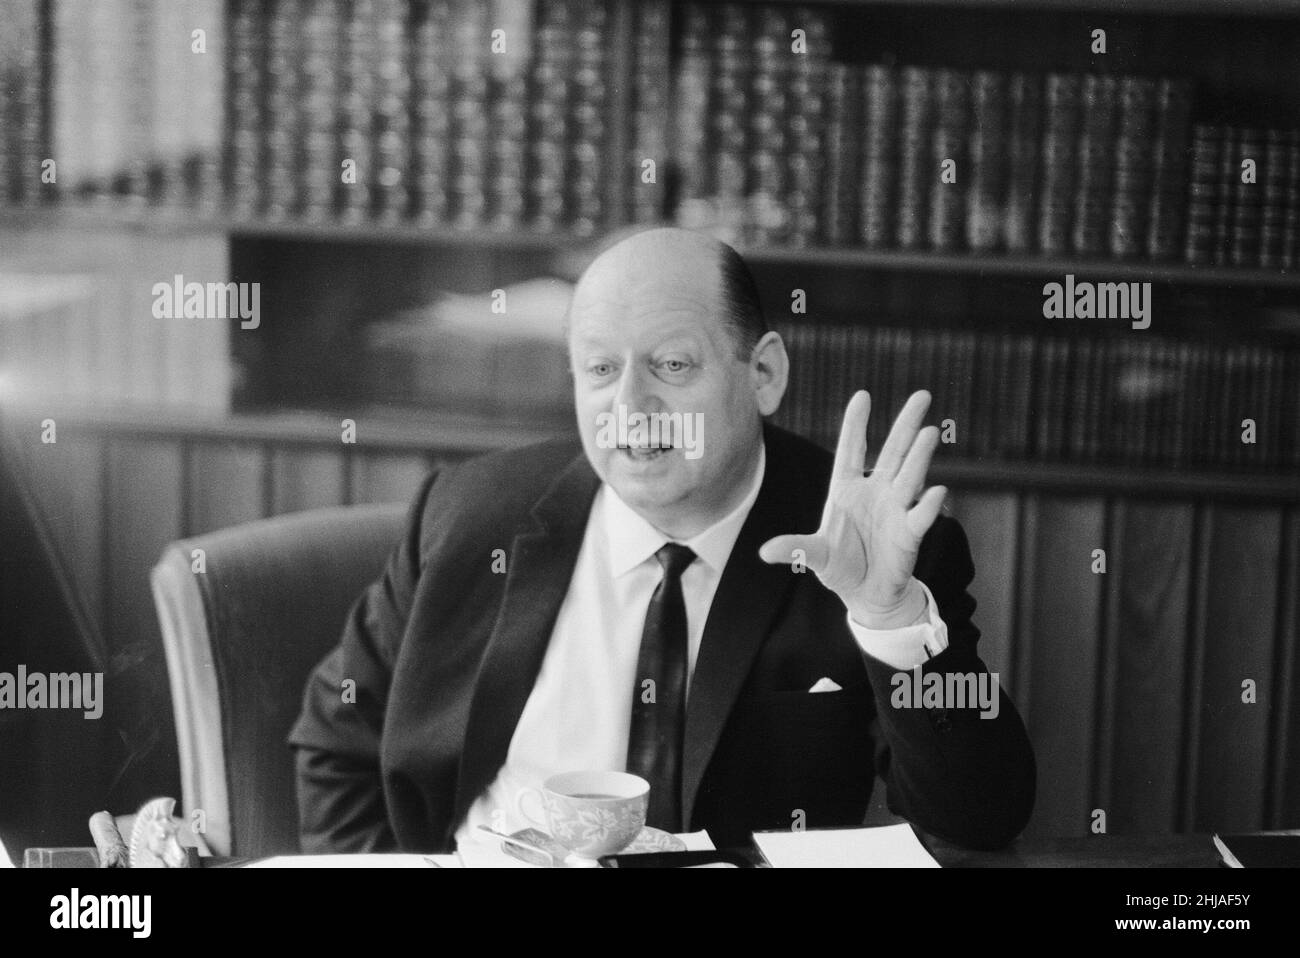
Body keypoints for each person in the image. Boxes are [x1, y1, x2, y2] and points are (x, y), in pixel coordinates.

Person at [289, 227, 1035, 854]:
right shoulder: (469, 517)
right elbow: (336, 746)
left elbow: (981, 819)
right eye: (602, 370)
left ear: (764, 373)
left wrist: (889, 619)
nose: (630, 407)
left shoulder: (865, 544)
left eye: (671, 366)